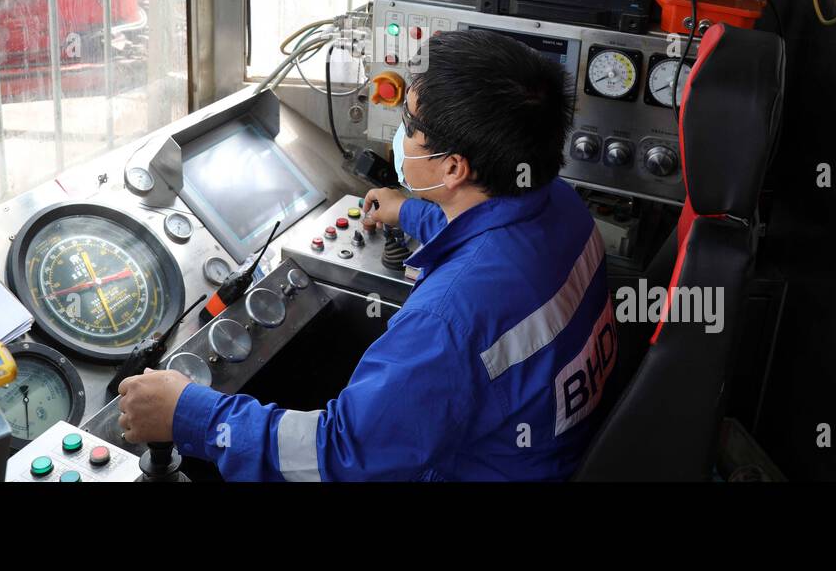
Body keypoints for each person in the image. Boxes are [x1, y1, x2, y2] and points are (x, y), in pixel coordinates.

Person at [116, 29, 617, 480]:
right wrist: (413, 213)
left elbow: (341, 456)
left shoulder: (448, 321)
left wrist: (190, 415)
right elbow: (492, 232)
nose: (402, 135)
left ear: (454, 168)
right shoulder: (561, 206)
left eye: (411, 125)